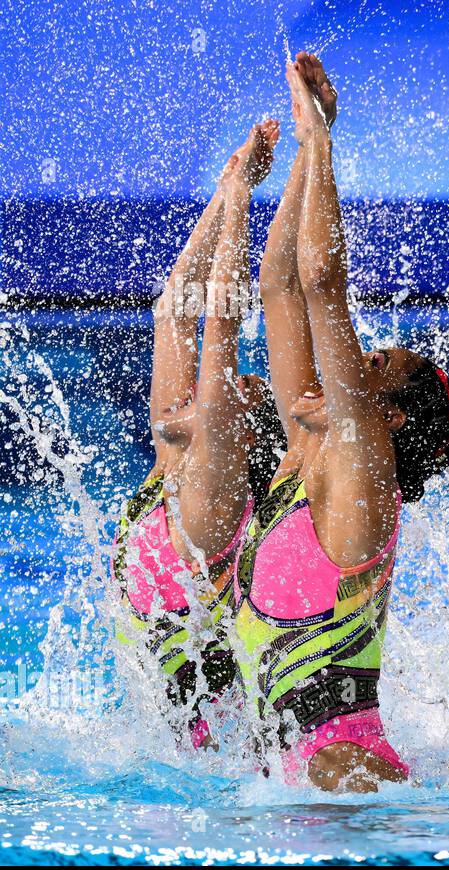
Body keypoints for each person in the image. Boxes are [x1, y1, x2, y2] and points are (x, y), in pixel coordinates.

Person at [234, 53, 449, 792]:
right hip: (293, 767)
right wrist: (306, 148)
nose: (355, 359)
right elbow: (279, 285)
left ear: (387, 414)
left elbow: (323, 282)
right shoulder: (311, 446)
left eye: (373, 367)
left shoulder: (364, 471)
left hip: (341, 766)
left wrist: (325, 145)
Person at [113, 121, 286, 750]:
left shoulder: (212, 508)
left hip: (209, 769)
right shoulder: (172, 473)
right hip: (180, 761)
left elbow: (221, 321)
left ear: (238, 431)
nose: (232, 378)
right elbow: (176, 311)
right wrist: (225, 189)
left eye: (242, 385)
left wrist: (242, 198)